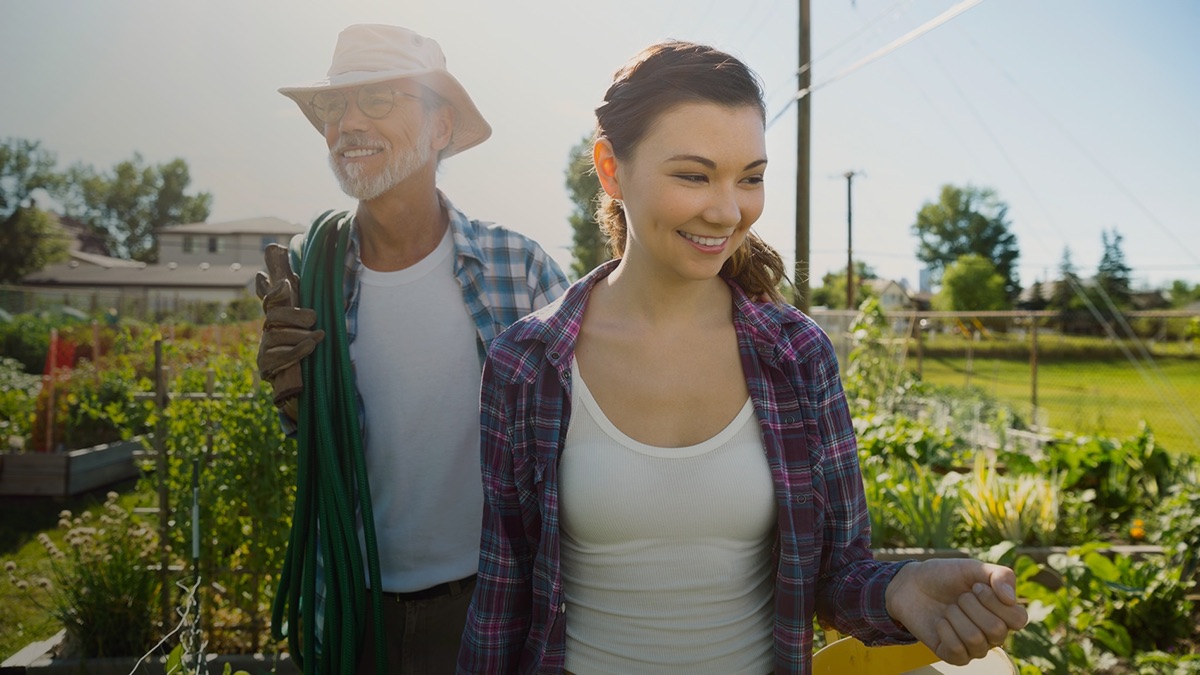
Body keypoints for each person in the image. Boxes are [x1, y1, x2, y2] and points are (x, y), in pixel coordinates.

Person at [457, 41, 1027, 675]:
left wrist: (899, 589)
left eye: (750, 178)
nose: (728, 211)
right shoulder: (526, 364)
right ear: (611, 169)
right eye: (693, 175)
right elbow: (503, 596)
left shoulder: (798, 354)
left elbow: (835, 574)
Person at [257, 23, 569, 675]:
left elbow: (583, 442)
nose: (348, 123)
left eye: (377, 99)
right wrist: (292, 403)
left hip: (490, 606)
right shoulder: (312, 278)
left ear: (441, 126)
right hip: (351, 608)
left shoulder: (522, 271)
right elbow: (318, 445)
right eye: (334, 105)